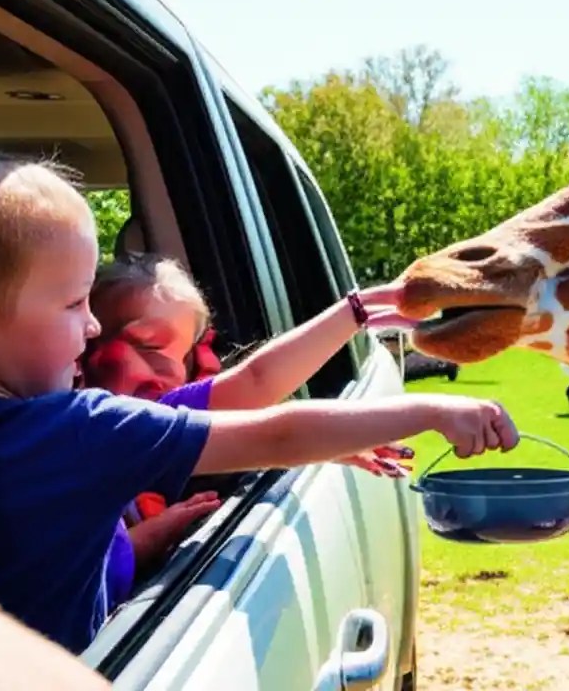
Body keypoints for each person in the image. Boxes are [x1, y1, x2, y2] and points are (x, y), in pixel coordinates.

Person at [0, 136, 517, 654]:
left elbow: (249, 392)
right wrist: (436, 409)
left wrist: (352, 314)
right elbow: (272, 425)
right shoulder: (81, 431)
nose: (93, 324)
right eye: (76, 303)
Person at [82, 253, 417, 604]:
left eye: (183, 358)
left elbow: (257, 391)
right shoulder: (75, 434)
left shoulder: (155, 419)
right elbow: (256, 388)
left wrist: (321, 442)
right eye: (147, 346)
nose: (169, 372)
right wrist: (152, 535)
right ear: (84, 343)